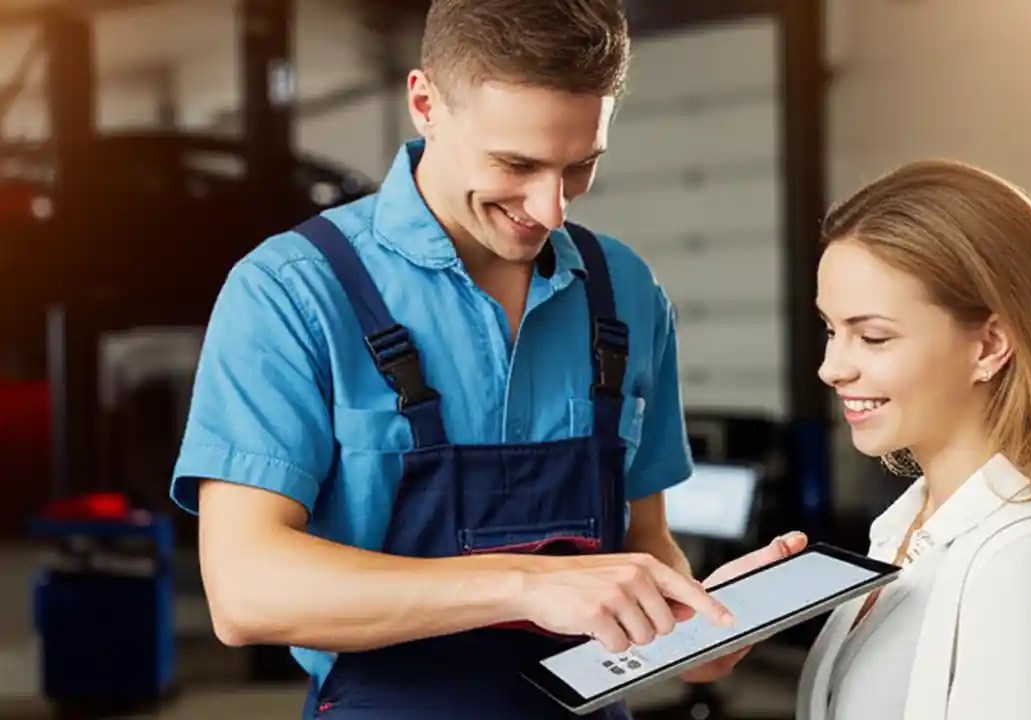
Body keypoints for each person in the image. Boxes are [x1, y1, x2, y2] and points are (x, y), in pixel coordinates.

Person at [168, 1, 801, 717]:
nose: (552, 209)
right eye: (516, 164)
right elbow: (245, 592)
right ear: (425, 103)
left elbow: (647, 541)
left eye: (581, 166)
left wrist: (700, 625)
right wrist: (525, 586)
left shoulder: (626, 292)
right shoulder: (291, 292)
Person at [797, 160, 1031, 720]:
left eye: (873, 336)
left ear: (989, 346)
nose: (832, 368)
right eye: (832, 330)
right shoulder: (904, 532)